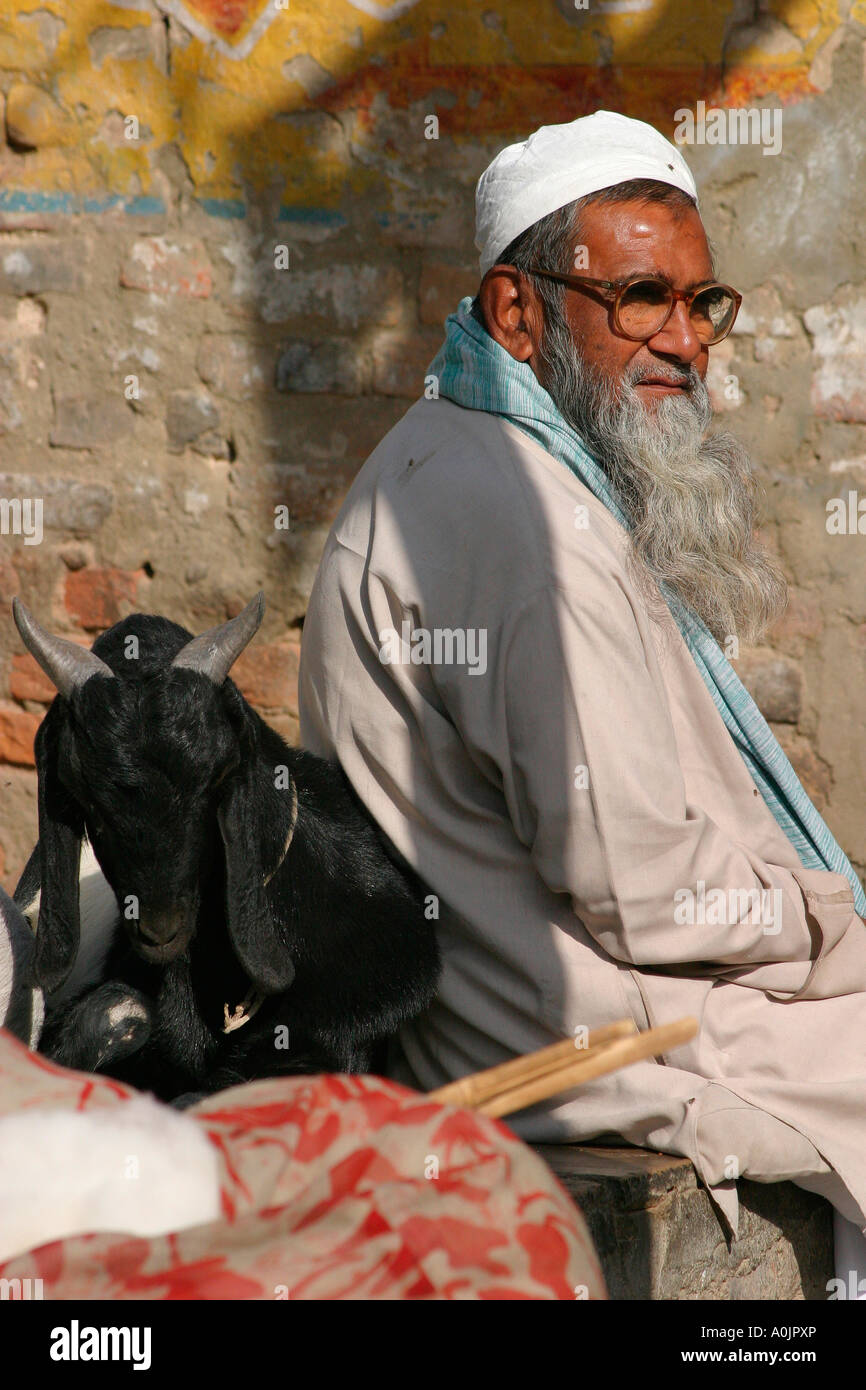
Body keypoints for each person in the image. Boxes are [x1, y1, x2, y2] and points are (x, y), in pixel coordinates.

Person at [298, 110, 866, 1284]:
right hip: (596, 1031)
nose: (683, 343)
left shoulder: (477, 458)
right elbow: (646, 896)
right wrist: (823, 924)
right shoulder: (526, 523)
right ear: (518, 311)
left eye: (699, 305)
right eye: (641, 299)